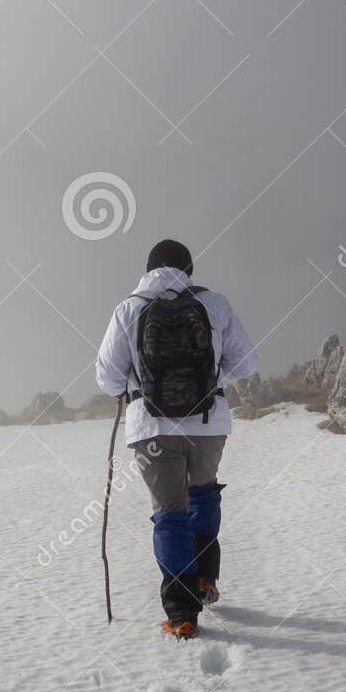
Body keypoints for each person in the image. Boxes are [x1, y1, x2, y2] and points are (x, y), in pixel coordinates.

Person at [95, 238, 258, 638]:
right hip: (208, 423)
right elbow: (246, 363)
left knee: (170, 511)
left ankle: (182, 613)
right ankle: (205, 577)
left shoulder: (129, 308)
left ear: (148, 268)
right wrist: (209, 380)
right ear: (189, 270)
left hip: (152, 428)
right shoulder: (214, 304)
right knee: (203, 494)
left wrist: (137, 386)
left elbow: (108, 376)